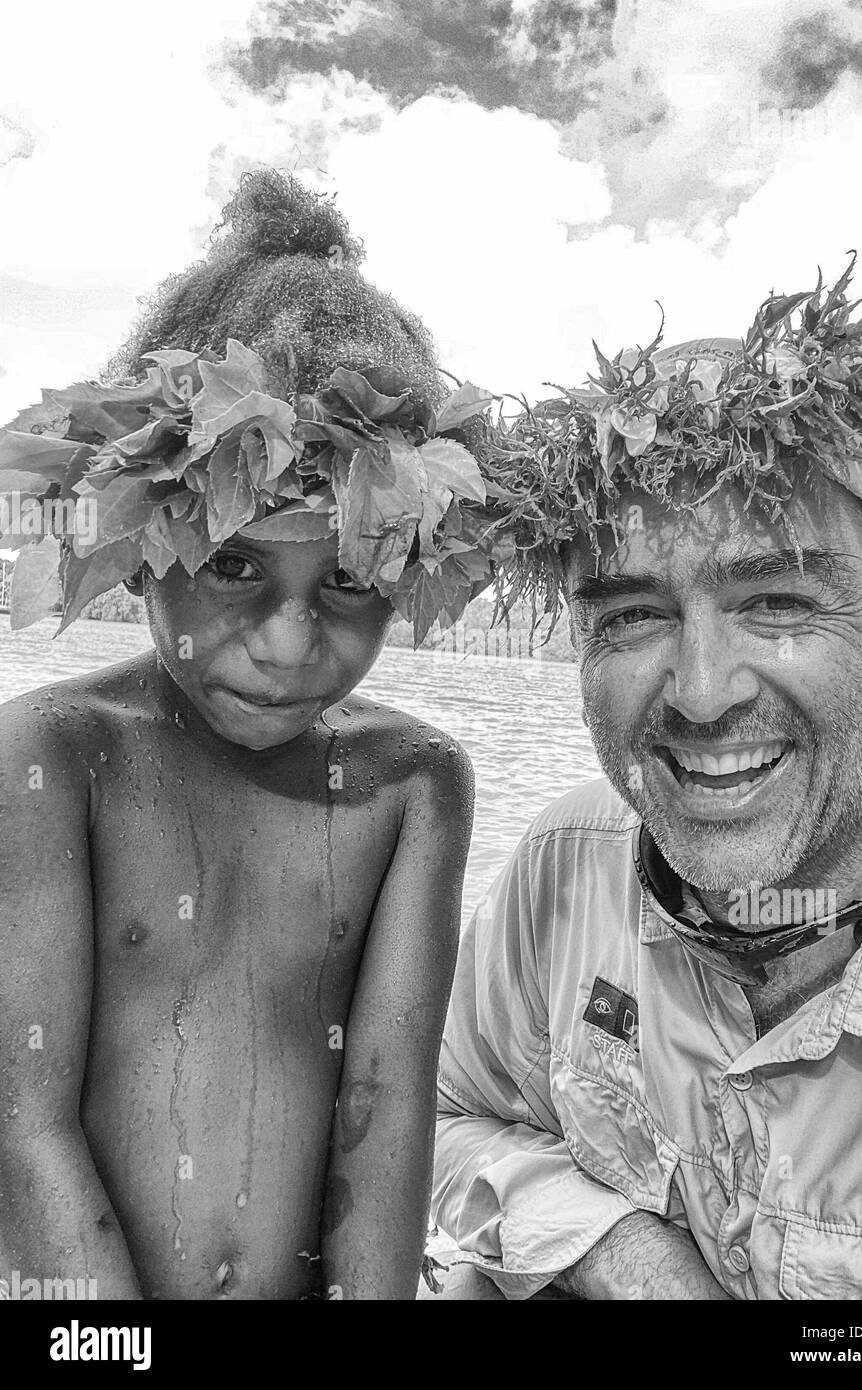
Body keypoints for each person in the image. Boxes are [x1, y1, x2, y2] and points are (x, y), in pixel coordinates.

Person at [426, 258, 862, 1300]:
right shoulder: (567, 863)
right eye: (633, 615)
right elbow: (451, 1114)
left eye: (775, 602)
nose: (702, 692)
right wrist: (620, 1249)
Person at [0, 170, 504, 1300]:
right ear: (139, 544)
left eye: (349, 577)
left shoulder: (416, 783)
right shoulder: (51, 754)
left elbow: (383, 1106)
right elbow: (20, 1124)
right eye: (234, 564)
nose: (289, 643)